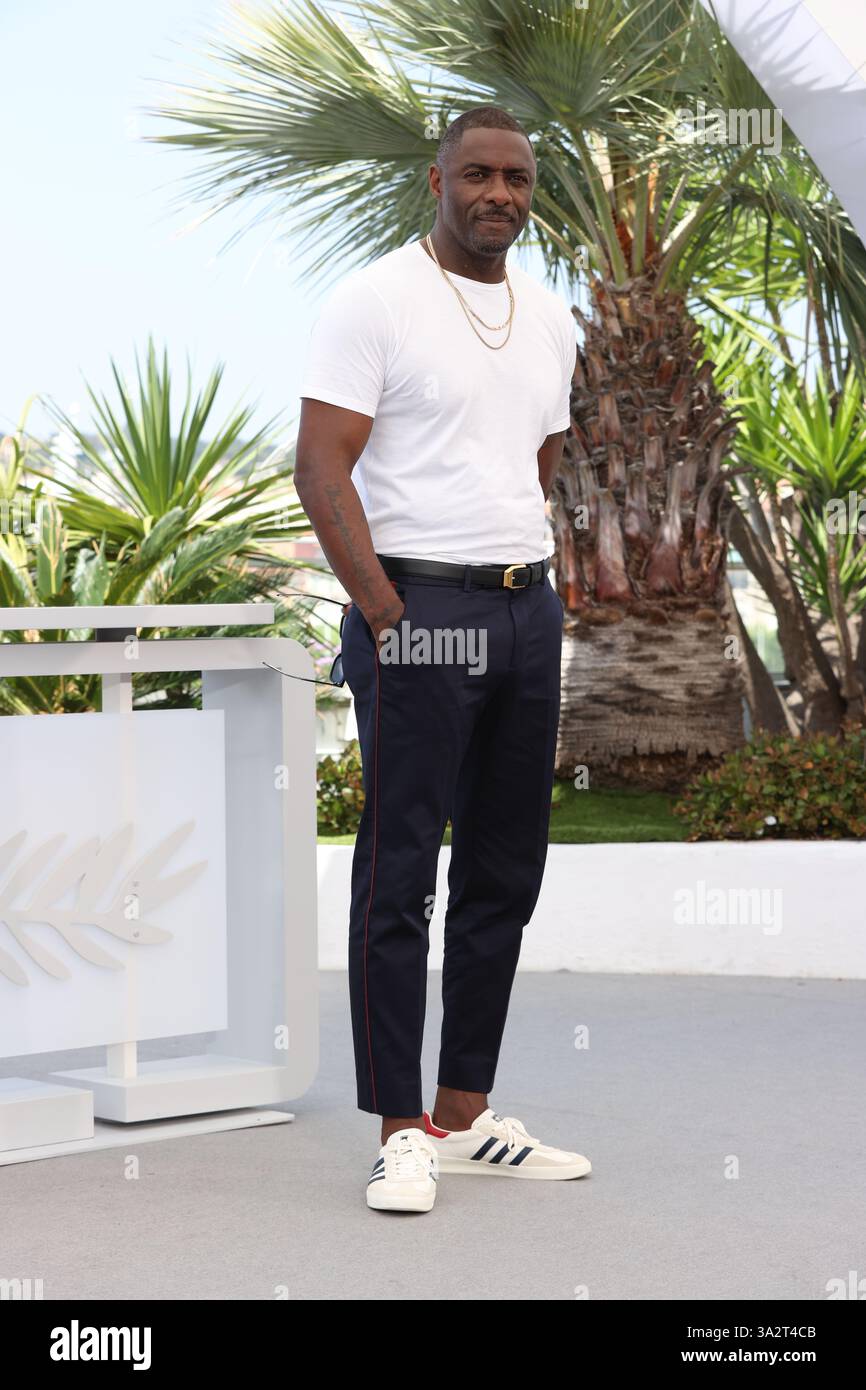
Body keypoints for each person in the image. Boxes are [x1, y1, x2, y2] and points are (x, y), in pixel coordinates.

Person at [295, 105, 591, 1213]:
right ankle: (397, 1128)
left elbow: (535, 461)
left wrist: (517, 578)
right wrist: (382, 610)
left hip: (522, 608)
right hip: (415, 607)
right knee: (399, 868)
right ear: (437, 179)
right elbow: (320, 470)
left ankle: (464, 1114)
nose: (498, 196)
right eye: (478, 175)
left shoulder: (550, 316)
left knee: (504, 870)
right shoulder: (372, 300)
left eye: (516, 178)